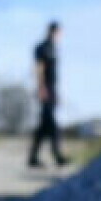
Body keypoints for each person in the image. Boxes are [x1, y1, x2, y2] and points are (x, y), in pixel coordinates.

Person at [28, 21, 68, 168]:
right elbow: (39, 68)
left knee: (44, 126)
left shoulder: (54, 48)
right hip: (46, 88)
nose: (60, 36)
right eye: (59, 32)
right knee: (53, 125)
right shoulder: (43, 47)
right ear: (53, 31)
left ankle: (33, 157)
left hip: (52, 88)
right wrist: (41, 87)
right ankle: (58, 155)